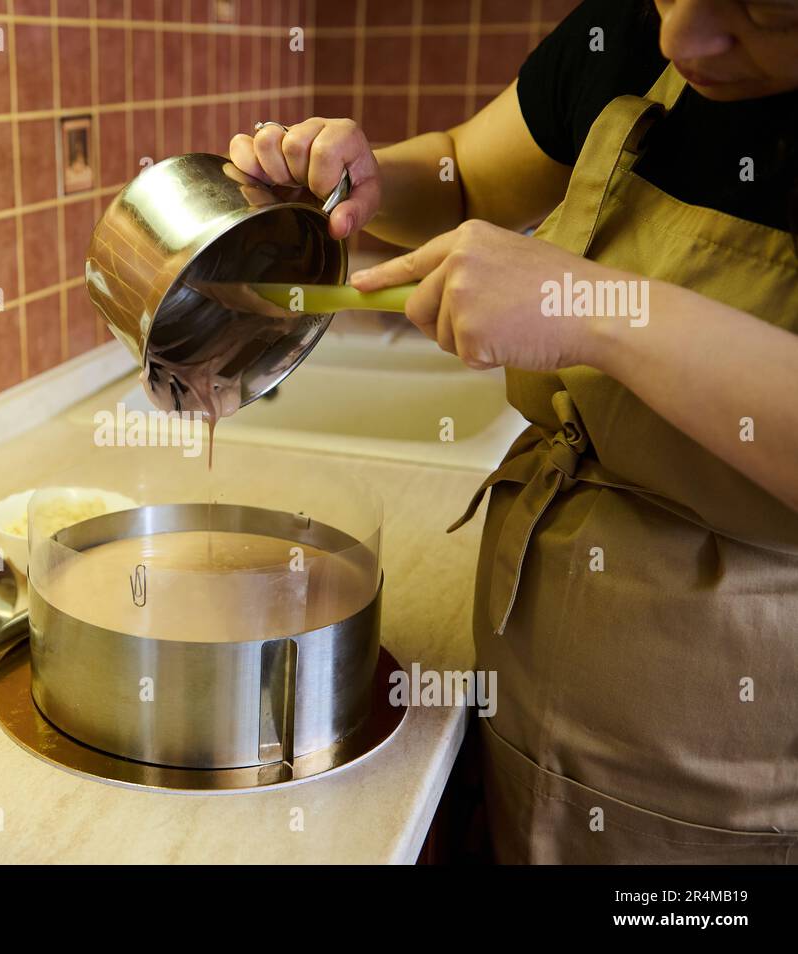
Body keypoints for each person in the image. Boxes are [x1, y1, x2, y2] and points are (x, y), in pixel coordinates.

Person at [230, 0, 798, 863]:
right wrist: (371, 180)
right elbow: (470, 171)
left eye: (768, 12)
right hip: (535, 692)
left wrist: (597, 311)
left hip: (730, 751)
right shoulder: (626, 38)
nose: (682, 40)